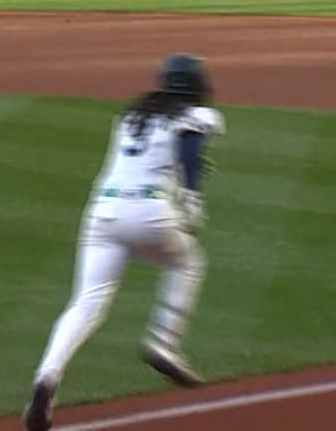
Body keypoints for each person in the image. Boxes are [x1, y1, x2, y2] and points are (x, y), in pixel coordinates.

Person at [22, 54, 226, 431]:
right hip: (151, 213)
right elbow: (190, 154)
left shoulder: (132, 115)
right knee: (188, 262)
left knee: (86, 303)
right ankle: (164, 342)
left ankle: (46, 378)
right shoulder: (198, 115)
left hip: (103, 212)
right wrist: (192, 199)